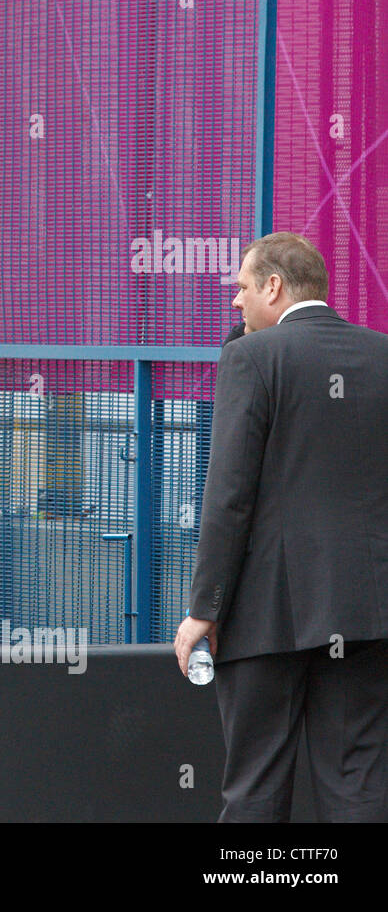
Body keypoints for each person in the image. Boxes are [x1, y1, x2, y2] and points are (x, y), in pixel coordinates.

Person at [175, 231, 388, 822]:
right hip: (367, 616)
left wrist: (205, 608)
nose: (235, 303)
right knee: (359, 784)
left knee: (256, 785)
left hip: (268, 615)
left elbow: (229, 497)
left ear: (273, 286)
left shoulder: (251, 358)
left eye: (242, 288)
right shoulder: (382, 356)